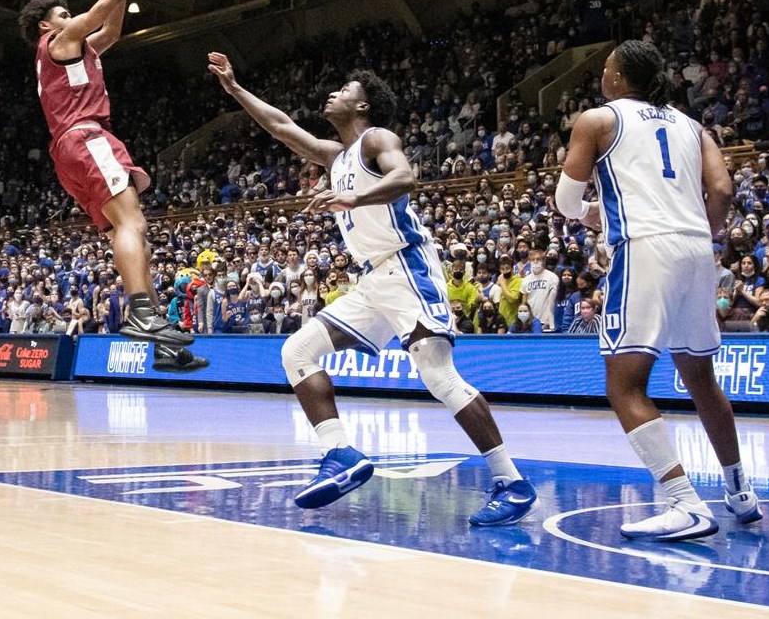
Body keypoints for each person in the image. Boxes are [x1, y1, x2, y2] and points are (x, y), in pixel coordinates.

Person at [208, 52, 535, 524]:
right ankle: (340, 455)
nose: (332, 93)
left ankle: (512, 482)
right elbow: (281, 126)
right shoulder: (334, 156)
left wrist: (357, 195)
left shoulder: (377, 140)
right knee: (297, 352)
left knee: (438, 375)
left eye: (343, 90)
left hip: (407, 268)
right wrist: (235, 89)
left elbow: (406, 177)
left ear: (362, 107)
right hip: (371, 280)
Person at [558, 40, 761, 541]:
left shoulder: (598, 120)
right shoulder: (693, 126)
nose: (602, 77)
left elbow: (566, 200)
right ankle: (739, 491)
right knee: (701, 378)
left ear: (621, 77)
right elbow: (724, 190)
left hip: (645, 249)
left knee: (624, 384)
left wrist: (590, 212)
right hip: (697, 250)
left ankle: (683, 503)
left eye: (606, 69)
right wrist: (704, 232)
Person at [18, 0, 206, 373]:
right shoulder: (58, 43)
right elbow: (105, 5)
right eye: (64, 13)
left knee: (133, 235)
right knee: (133, 221)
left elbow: (113, 26)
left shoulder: (79, 50)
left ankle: (164, 343)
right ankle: (141, 311)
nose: (72, 16)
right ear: (47, 25)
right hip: (86, 138)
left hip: (71, 150)